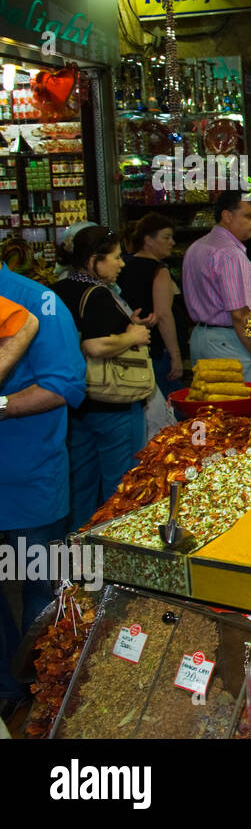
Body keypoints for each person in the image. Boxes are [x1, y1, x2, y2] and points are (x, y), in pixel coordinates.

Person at [0, 261, 86, 709]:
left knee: (39, 585)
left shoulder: (38, 301)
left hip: (27, 475)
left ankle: (44, 693)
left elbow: (64, 385)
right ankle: (7, 689)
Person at [51, 226, 153, 530]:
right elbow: (95, 345)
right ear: (95, 259)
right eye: (116, 257)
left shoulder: (58, 291)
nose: (122, 264)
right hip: (113, 404)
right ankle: (114, 555)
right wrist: (133, 334)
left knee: (81, 485)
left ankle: (80, 559)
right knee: (119, 487)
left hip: (77, 405)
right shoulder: (96, 294)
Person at [182, 190, 251, 382]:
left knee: (214, 407)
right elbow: (239, 314)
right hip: (231, 342)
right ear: (227, 216)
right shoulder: (230, 254)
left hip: (201, 338)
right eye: (248, 216)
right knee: (244, 406)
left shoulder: (196, 247)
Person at [119, 213, 185, 397]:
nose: (172, 242)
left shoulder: (122, 264)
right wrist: (176, 356)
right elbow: (164, 315)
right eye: (166, 237)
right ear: (148, 240)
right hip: (156, 348)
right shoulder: (158, 269)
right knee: (170, 404)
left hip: (130, 348)